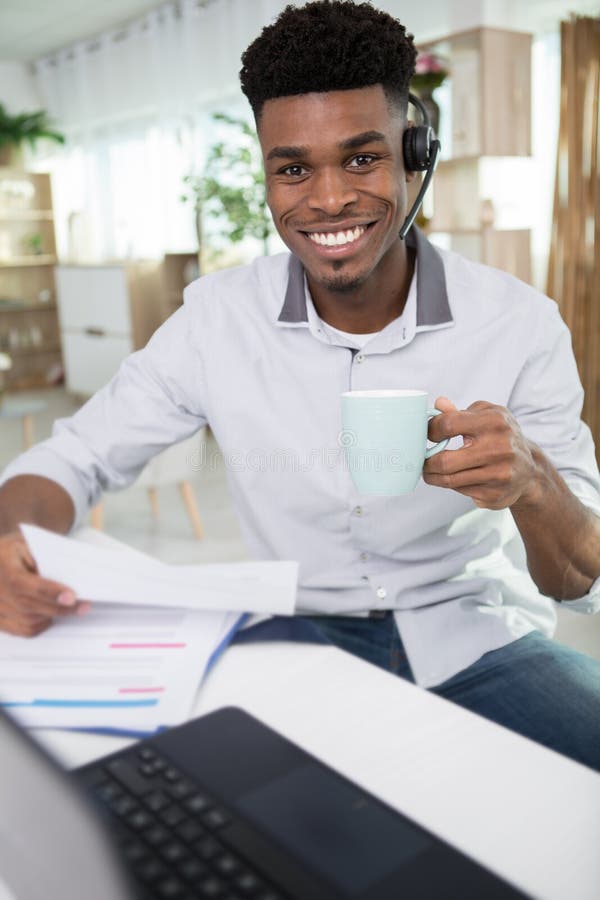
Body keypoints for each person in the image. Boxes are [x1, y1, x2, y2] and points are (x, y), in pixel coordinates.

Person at [1, 0, 599, 770]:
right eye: (292, 169)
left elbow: (580, 579)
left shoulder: (518, 323)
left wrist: (535, 485)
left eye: (361, 158)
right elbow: (75, 457)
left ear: (414, 154)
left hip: (479, 638)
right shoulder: (217, 318)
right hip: (295, 633)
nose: (326, 200)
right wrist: (10, 541)